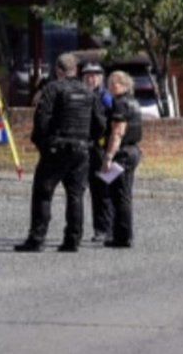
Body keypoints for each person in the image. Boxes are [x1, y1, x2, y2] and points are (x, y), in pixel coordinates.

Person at [15, 53, 106, 253]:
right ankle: (72, 240)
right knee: (76, 195)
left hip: (57, 147)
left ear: (58, 70)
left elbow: (41, 120)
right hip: (81, 149)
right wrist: (88, 141)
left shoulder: (53, 89)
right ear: (77, 71)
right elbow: (100, 124)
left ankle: (37, 238)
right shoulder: (89, 92)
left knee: (43, 192)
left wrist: (43, 144)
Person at [103, 70, 143, 248]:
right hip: (133, 150)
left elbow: (117, 132)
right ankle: (118, 233)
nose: (112, 85)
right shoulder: (133, 102)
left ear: (125, 85)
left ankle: (123, 236)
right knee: (116, 191)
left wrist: (108, 156)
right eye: (110, 82)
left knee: (121, 195)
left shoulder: (120, 104)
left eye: (116, 83)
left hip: (123, 154)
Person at [80, 61, 114, 242]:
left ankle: (106, 228)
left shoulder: (106, 98)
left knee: (103, 189)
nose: (90, 79)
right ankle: (100, 228)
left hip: (101, 149)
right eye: (87, 76)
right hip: (86, 149)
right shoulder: (82, 95)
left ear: (101, 78)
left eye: (94, 76)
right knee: (91, 190)